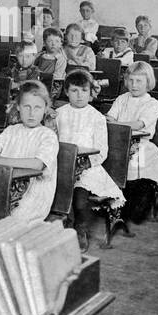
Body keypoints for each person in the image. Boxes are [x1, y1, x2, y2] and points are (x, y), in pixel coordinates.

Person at [55, 70, 126, 251]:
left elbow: (101, 152)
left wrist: (83, 165)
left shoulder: (96, 117)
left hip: (87, 167)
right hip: (61, 163)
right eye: (74, 91)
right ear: (66, 91)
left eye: (84, 91)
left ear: (90, 92)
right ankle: (57, 227)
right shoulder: (58, 113)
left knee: (79, 199)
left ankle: (80, 228)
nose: (79, 96)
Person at [0, 80, 59, 222]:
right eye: (26, 107)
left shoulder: (48, 135)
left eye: (37, 108)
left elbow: (38, 164)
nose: (31, 113)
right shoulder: (11, 130)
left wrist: (1, 160)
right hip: (6, 187)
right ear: (18, 107)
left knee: (6, 218)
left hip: (33, 195)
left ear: (45, 108)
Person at [106, 61, 158, 225]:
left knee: (135, 165)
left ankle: (140, 195)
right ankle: (115, 198)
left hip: (141, 142)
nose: (134, 85)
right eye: (131, 80)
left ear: (148, 83)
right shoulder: (122, 98)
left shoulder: (152, 104)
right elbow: (110, 118)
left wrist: (115, 124)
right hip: (118, 140)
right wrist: (111, 123)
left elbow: (139, 124)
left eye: (139, 81)